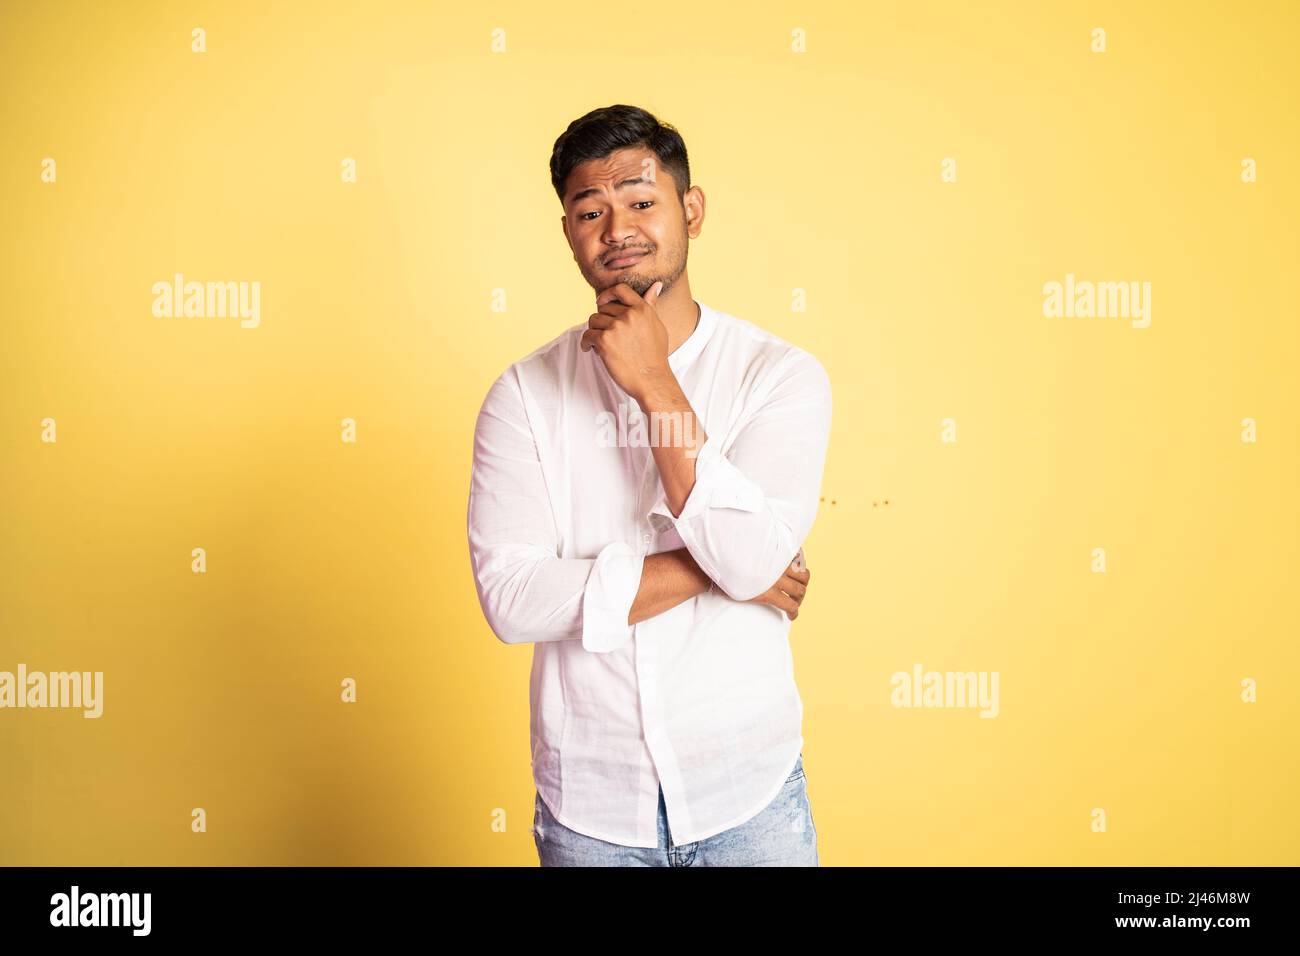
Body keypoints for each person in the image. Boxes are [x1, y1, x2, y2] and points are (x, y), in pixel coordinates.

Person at [467, 104, 832, 866]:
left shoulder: (781, 378)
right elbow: (512, 600)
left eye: (641, 201)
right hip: (591, 806)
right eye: (589, 210)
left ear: (690, 209)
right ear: (568, 231)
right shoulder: (523, 395)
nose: (617, 229)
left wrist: (655, 384)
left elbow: (758, 560)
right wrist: (726, 568)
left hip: (749, 794)